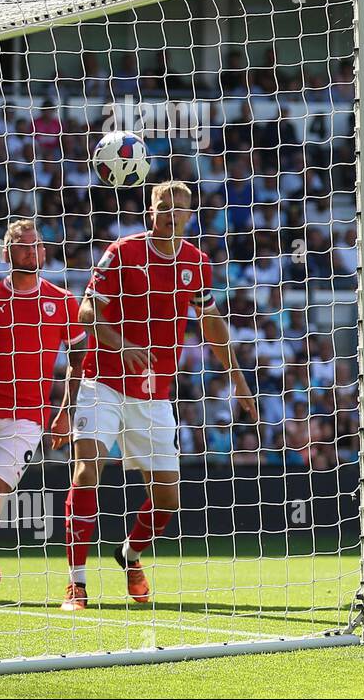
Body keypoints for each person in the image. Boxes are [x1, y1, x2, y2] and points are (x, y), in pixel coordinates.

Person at [59, 182, 257, 611]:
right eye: (164, 207)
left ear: (190, 215)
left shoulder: (197, 263)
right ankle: (75, 583)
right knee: (86, 472)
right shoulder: (123, 251)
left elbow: (211, 323)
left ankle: (129, 554)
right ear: (151, 211)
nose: (172, 214)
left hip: (154, 395)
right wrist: (120, 344)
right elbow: (86, 312)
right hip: (105, 381)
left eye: (180, 209)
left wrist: (239, 381)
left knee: (169, 500)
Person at [0, 220, 87, 607]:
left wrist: (65, 411)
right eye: (23, 246)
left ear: (44, 252)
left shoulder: (62, 300)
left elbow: (79, 359)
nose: (32, 251)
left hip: (27, 417)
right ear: (6, 253)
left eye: (37, 245)